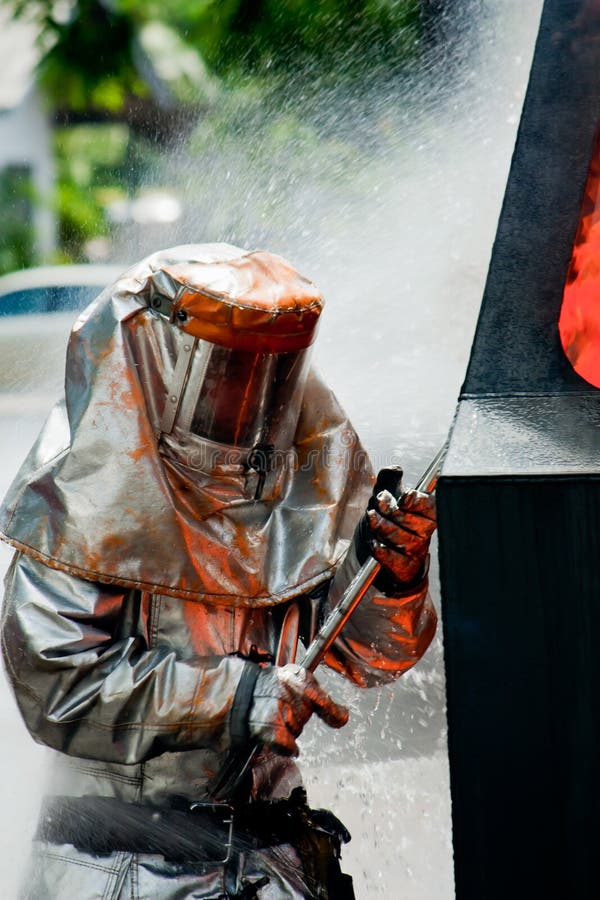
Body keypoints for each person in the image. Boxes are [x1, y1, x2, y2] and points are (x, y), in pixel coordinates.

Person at [0, 244, 437, 900]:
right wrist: (237, 698)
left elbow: (371, 660)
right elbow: (59, 686)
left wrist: (393, 576)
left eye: (274, 371)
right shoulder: (87, 490)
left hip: (274, 865)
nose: (252, 394)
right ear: (161, 358)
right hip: (120, 870)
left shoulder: (304, 482)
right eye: (229, 367)